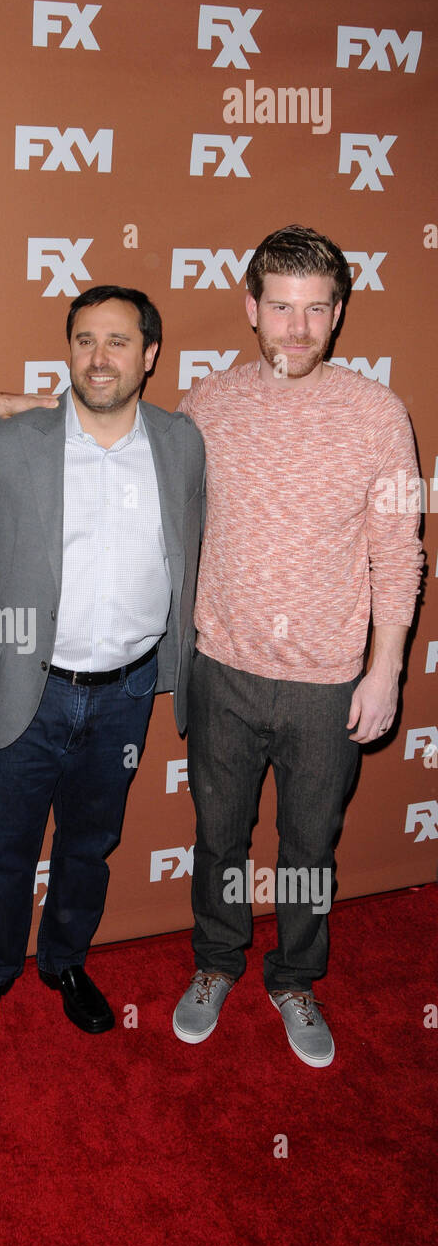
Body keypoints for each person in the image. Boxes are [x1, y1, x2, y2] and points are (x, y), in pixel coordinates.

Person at [173, 224, 424, 1067]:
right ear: (251, 309)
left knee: (310, 848)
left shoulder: (377, 413)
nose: (298, 328)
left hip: (326, 682)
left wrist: (384, 669)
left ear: (341, 313)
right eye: (281, 307)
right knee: (219, 837)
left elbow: (400, 549)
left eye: (317, 309)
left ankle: (294, 978)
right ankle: (215, 962)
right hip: (223, 671)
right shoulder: (207, 402)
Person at [0, 285, 205, 1040]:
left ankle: (64, 961)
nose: (99, 358)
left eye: (118, 341)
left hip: (126, 693)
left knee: (90, 845)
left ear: (149, 355)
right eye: (85, 340)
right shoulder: (15, 441)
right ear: (69, 350)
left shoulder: (181, 442)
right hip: (30, 687)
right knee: (5, 846)